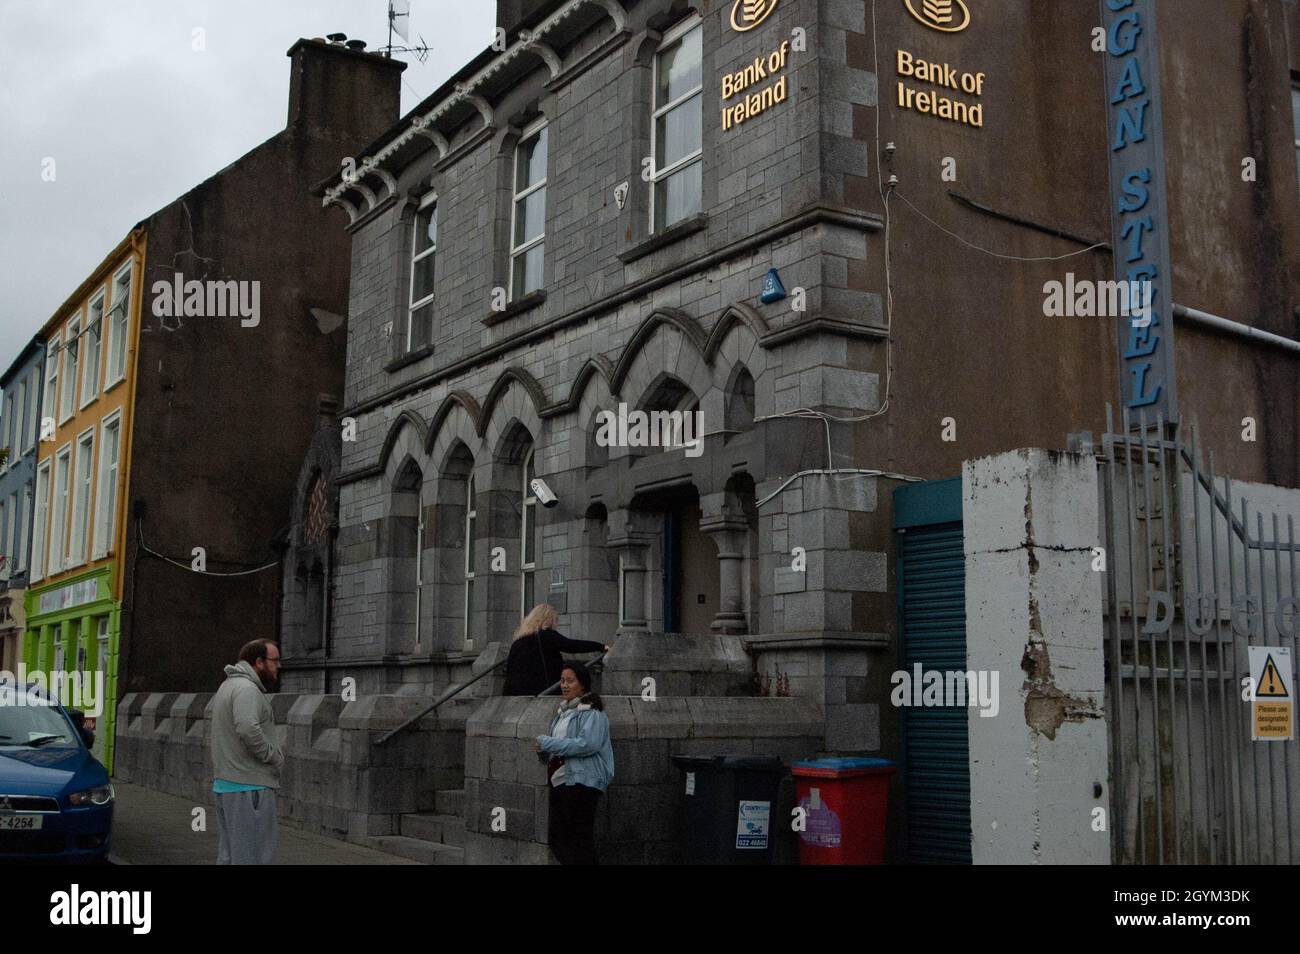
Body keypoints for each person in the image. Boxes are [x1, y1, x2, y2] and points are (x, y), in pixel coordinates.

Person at [210, 639, 283, 865]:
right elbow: (248, 728)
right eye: (274, 660)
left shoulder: (229, 686)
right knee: (254, 856)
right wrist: (272, 756)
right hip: (249, 785)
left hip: (230, 783)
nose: (279, 666)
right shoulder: (247, 689)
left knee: (231, 855)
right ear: (259, 662)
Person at [534, 661, 613, 865]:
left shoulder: (593, 712)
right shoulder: (563, 713)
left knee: (579, 840)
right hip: (561, 782)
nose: (564, 685)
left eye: (570, 681)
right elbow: (558, 749)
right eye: (562, 681)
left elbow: (587, 744)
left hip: (582, 782)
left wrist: (548, 742)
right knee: (558, 838)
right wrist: (544, 752)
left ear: (583, 684)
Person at [502, 603, 608, 696]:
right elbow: (571, 645)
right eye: (555, 619)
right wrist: (600, 646)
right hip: (542, 690)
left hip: (514, 693)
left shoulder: (518, 641)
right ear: (549, 620)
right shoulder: (547, 635)